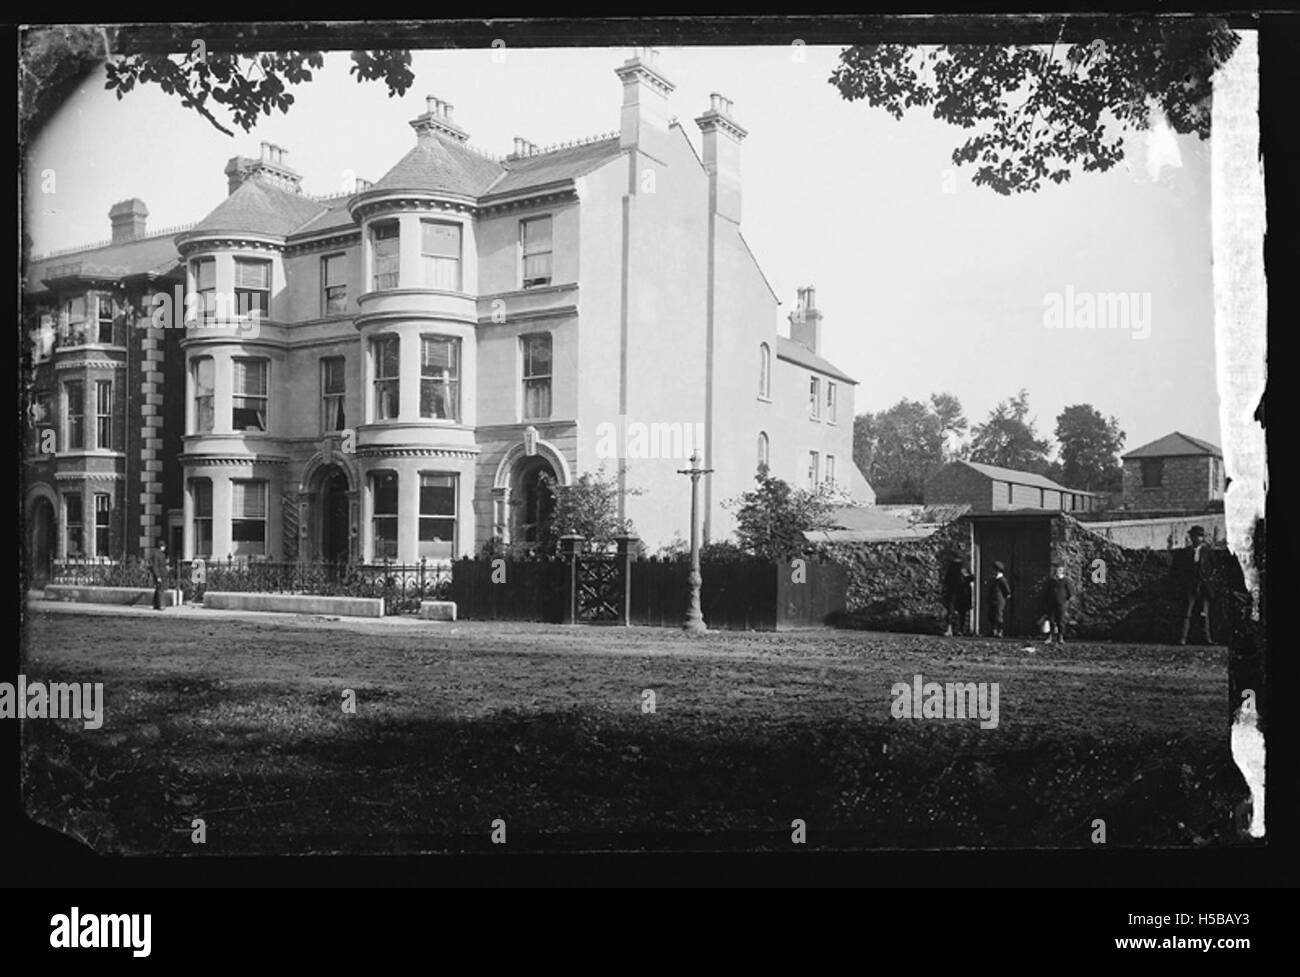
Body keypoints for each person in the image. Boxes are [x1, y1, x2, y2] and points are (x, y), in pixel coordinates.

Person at [1177, 525, 1214, 645]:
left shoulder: (1207, 553)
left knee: (1204, 614)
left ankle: (1207, 639)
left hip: (1204, 587)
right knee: (1187, 613)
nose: (1197, 539)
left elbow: (1213, 568)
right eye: (1194, 536)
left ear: (1202, 538)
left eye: (1199, 536)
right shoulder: (1184, 553)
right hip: (1189, 587)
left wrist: (1207, 581)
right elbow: (1177, 570)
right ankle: (1182, 639)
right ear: (1191, 537)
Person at [1041, 564, 1074, 644]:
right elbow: (1046, 591)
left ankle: (1060, 637)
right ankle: (1050, 637)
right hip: (1051, 603)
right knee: (1051, 620)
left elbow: (1070, 593)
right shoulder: (1051, 580)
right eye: (1056, 570)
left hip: (1061, 603)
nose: (1057, 572)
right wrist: (1046, 601)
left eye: (1059, 570)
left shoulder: (1066, 580)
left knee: (1060, 620)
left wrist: (1065, 601)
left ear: (1062, 571)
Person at [941, 557, 974, 636]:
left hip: (963, 593)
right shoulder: (952, 566)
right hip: (953, 592)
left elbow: (971, 578)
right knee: (950, 611)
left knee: (962, 611)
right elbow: (946, 580)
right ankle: (950, 629)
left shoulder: (966, 565)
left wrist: (967, 576)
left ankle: (961, 630)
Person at [988, 561, 1011, 637]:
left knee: (998, 615)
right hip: (992, 600)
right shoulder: (993, 579)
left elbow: (1007, 591)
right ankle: (993, 630)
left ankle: (1000, 630)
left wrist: (1004, 598)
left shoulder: (1002, 580)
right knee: (992, 615)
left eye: (993, 570)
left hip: (999, 601)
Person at [149, 539, 169, 611]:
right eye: (164, 546)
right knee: (160, 589)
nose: (165, 548)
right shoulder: (156, 554)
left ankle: (156, 605)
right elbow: (155, 566)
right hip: (159, 574)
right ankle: (161, 605)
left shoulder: (161, 554)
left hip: (162, 574)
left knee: (158, 589)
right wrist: (158, 576)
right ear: (161, 546)